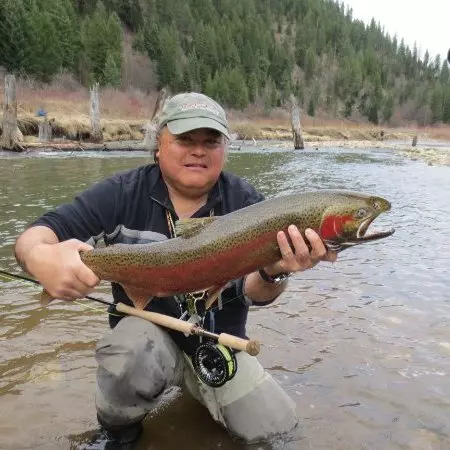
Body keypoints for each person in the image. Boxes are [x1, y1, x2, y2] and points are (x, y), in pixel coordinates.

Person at [14, 92, 337, 449]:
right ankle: (118, 433)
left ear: (224, 149)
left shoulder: (249, 206)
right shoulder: (121, 193)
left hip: (218, 348)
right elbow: (36, 236)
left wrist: (275, 271)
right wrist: (41, 259)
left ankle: (198, 401)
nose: (198, 150)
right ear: (158, 145)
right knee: (129, 352)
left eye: (210, 141)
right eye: (185, 139)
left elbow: (257, 293)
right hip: (147, 345)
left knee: (277, 432)